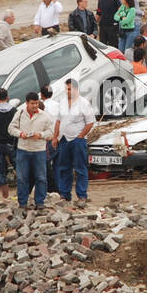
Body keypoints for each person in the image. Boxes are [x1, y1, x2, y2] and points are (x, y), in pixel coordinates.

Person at [52, 78, 95, 206]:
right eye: (66, 89)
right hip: (64, 139)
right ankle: (65, 195)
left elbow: (90, 122)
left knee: (80, 168)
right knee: (64, 167)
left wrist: (80, 136)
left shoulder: (84, 103)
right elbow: (58, 121)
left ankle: (82, 195)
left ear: (76, 89)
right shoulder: (63, 102)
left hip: (77, 140)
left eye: (70, 89)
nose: (67, 91)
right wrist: (55, 137)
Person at [9, 92, 52, 209]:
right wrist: (20, 134)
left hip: (39, 151)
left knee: (41, 177)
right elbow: (11, 128)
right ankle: (22, 203)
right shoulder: (20, 113)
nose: (35, 106)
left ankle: (40, 202)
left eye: (36, 103)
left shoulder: (45, 116)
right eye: (32, 103)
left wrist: (41, 135)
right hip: (23, 150)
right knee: (22, 177)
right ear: (27, 103)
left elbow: (51, 132)